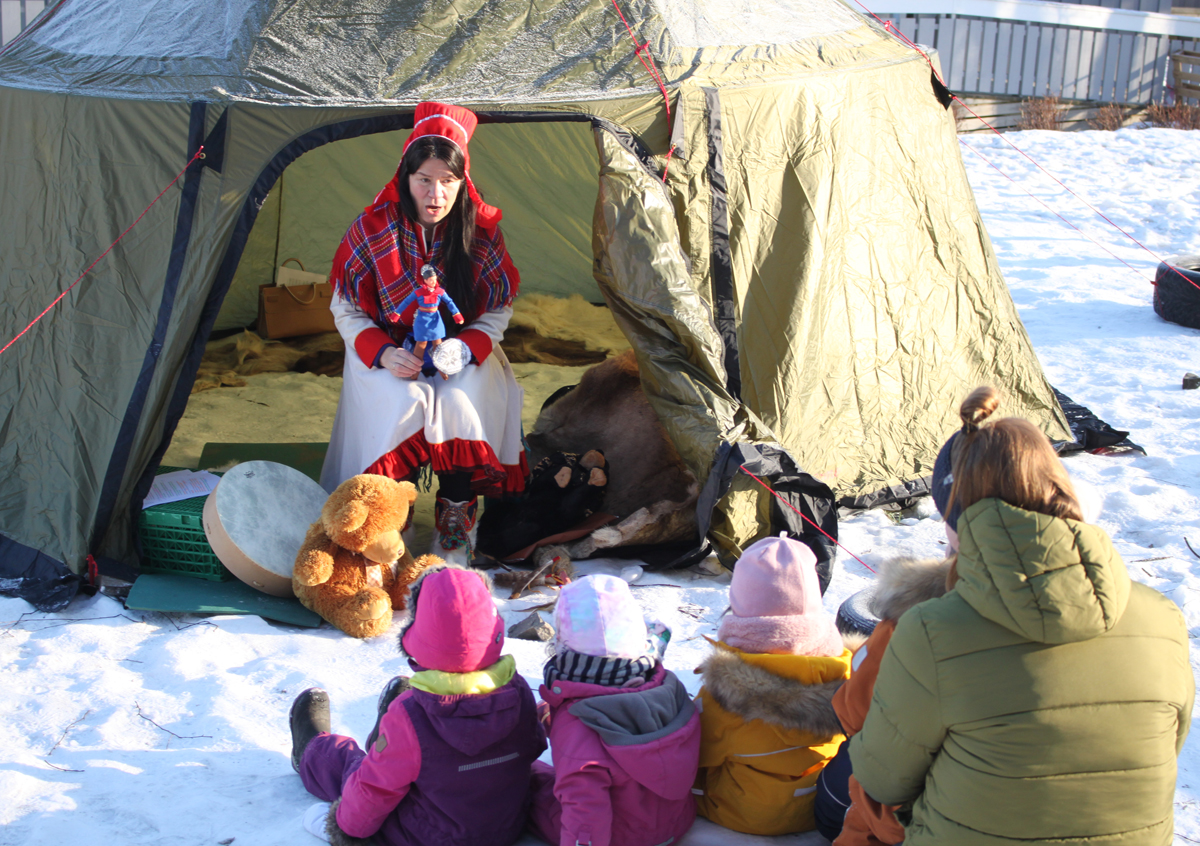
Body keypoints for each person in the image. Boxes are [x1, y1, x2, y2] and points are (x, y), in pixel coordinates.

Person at [851, 386, 1194, 845]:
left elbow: (882, 780)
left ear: (955, 515)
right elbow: (1168, 744)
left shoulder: (931, 630)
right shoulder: (1161, 616)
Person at [321, 101, 526, 564]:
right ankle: (392, 518)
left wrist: (465, 348)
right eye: (424, 180)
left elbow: (496, 311)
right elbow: (346, 307)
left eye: (448, 181)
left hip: (460, 350)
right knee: (404, 401)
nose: (436, 193)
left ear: (462, 180)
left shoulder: (481, 232)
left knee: (459, 401)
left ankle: (456, 520)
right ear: (405, 178)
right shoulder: (372, 228)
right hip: (389, 350)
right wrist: (382, 353)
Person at [288, 565, 546, 846]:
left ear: (420, 635)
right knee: (403, 757)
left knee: (354, 767)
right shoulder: (518, 690)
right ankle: (385, 746)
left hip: (427, 835)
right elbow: (531, 748)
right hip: (505, 827)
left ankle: (311, 750)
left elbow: (373, 788)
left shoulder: (411, 715)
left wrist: (345, 829)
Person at [692, 536, 853, 836]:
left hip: (751, 812)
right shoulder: (846, 670)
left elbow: (698, 750)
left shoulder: (727, 689)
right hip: (822, 800)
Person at [527, 574, 701, 846]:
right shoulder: (668, 688)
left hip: (616, 836)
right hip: (675, 822)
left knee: (529, 783)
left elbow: (584, 808)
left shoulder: (580, 728)